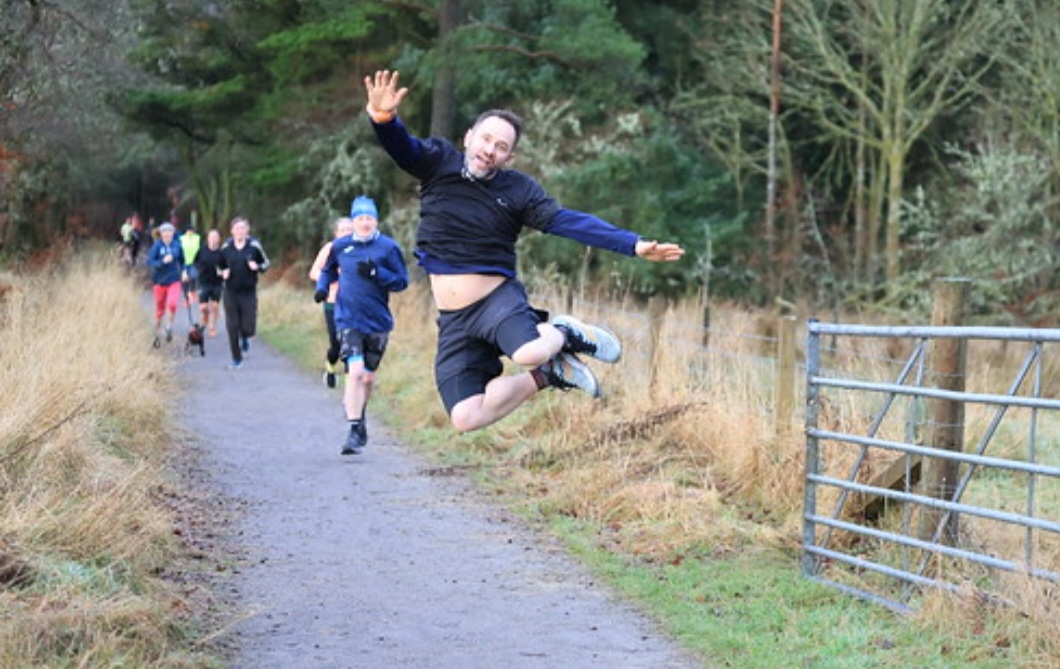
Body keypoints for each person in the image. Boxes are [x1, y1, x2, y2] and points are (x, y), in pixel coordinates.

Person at [363, 69, 686, 433]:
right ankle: (547, 375)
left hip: (495, 302)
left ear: (509, 156)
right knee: (466, 417)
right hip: (454, 318)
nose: (489, 150)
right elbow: (403, 147)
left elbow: (568, 222)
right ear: (469, 137)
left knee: (527, 352)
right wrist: (384, 119)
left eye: (501, 146)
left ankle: (565, 332)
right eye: (485, 139)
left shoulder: (518, 191)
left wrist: (633, 243)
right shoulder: (438, 162)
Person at [315, 196, 409, 455]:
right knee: (354, 372)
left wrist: (377, 274)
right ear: (353, 221)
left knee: (367, 377)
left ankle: (360, 415)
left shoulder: (388, 248)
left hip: (377, 321)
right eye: (359, 218)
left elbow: (402, 282)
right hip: (347, 318)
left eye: (369, 218)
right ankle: (354, 426)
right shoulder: (341, 246)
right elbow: (327, 270)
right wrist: (322, 288)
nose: (364, 223)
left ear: (376, 220)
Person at [308, 215, 355, 389]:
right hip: (332, 301)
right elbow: (314, 272)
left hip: (354, 302)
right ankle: (330, 367)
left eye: (349, 230)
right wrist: (332, 278)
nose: (346, 233)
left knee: (351, 342)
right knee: (336, 343)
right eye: (342, 230)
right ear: (336, 233)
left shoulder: (360, 248)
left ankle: (351, 382)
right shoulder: (330, 249)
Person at [218, 217, 271, 369]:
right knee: (232, 326)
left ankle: (245, 336)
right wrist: (223, 272)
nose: (240, 231)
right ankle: (236, 358)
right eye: (237, 228)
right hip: (230, 291)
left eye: (243, 228)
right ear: (232, 231)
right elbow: (218, 266)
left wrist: (258, 267)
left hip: (248, 291)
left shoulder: (254, 246)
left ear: (247, 231)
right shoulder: (226, 247)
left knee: (249, 327)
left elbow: (266, 263)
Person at [145, 222, 186, 343]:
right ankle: (157, 327)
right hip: (160, 281)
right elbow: (150, 261)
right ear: (161, 234)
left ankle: (169, 326)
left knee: (172, 304)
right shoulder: (157, 246)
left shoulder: (177, 245)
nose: (168, 234)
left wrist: (184, 271)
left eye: (170, 232)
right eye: (165, 232)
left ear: (173, 233)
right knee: (160, 308)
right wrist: (162, 262)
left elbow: (182, 260)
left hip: (174, 279)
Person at [194, 229, 225, 337]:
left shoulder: (222, 253)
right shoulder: (202, 250)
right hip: (204, 282)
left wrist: (223, 272)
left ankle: (212, 327)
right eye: (211, 237)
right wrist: (199, 269)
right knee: (203, 307)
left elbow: (226, 267)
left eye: (215, 237)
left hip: (217, 283)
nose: (213, 239)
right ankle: (205, 317)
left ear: (219, 239)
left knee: (215, 306)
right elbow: (195, 262)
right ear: (208, 239)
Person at [179, 223, 202, 313]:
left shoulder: (197, 238)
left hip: (194, 261)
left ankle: (192, 292)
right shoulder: (181, 239)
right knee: (185, 280)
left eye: (191, 230)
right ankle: (186, 297)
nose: (190, 232)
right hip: (184, 262)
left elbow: (199, 248)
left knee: (193, 277)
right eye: (188, 231)